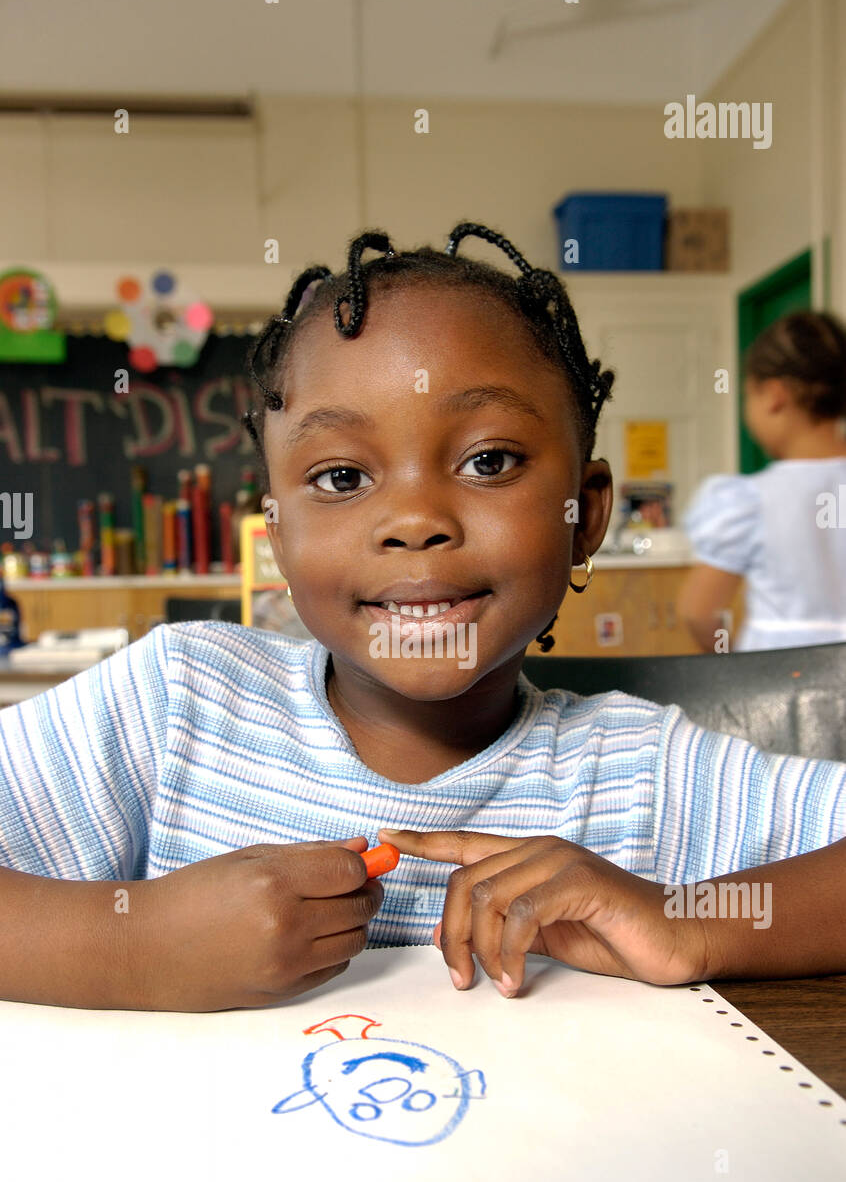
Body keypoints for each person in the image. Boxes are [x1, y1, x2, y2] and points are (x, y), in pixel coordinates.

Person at [0, 224, 844, 1013]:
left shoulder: (640, 776)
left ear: (584, 516)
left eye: (488, 460)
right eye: (339, 478)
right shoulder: (177, 701)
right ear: (279, 536)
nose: (415, 520)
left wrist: (684, 923)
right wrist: (135, 941)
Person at [678, 310, 846, 651]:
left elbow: (699, 612)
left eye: (747, 396)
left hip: (781, 679)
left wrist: (733, 664)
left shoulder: (749, 500)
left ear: (773, 395)